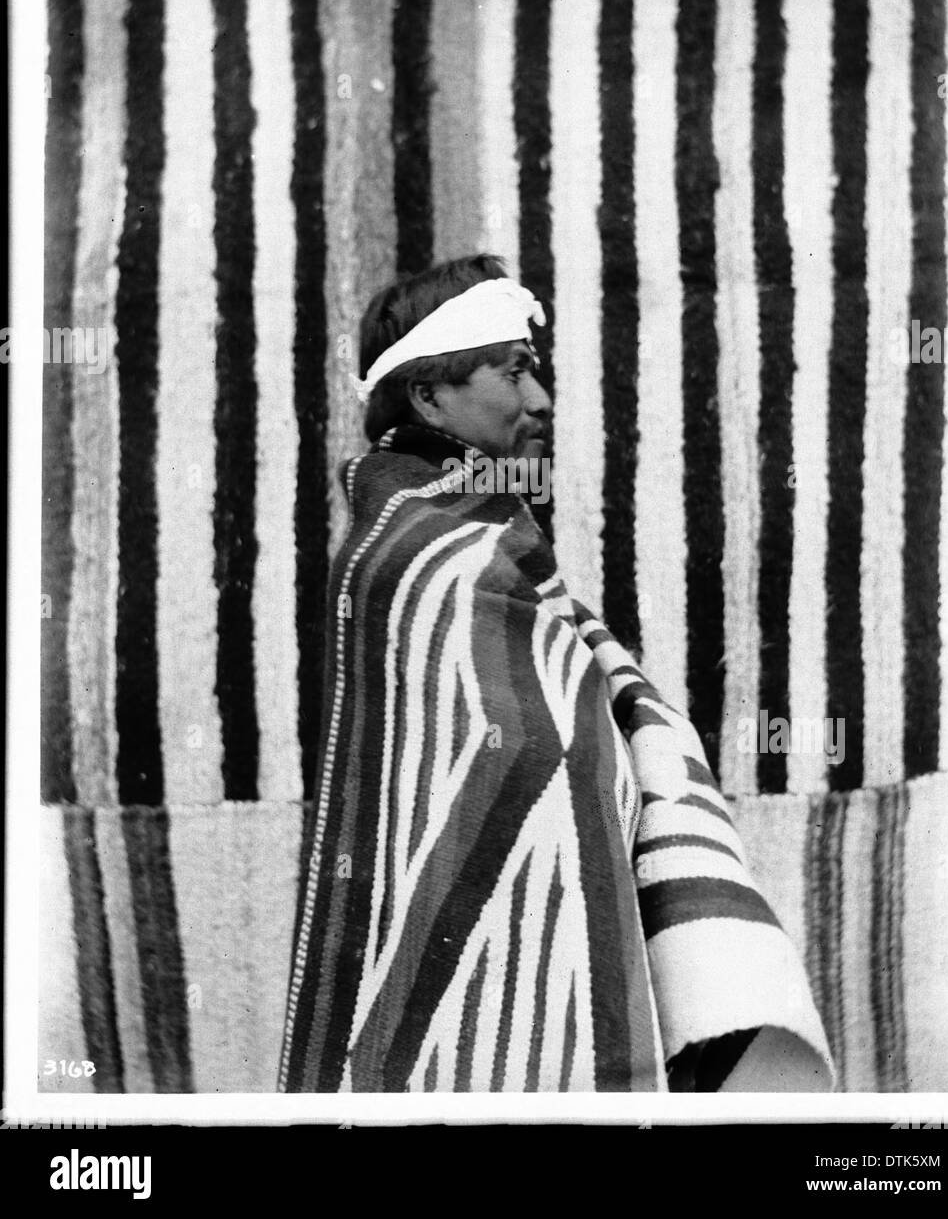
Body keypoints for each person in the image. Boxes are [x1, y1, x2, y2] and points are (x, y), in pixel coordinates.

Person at [278, 254, 832, 1093]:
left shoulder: (494, 537)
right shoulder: (407, 553)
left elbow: (564, 737)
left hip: (558, 944)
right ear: (429, 397)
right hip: (457, 950)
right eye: (513, 373)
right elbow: (513, 759)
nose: (539, 402)